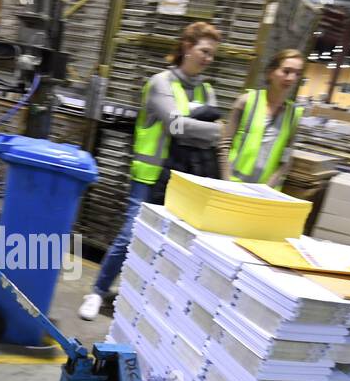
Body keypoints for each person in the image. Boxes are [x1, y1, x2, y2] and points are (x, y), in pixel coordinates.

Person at [78, 21, 223, 320]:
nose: (208, 58)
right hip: (150, 174)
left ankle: (141, 293)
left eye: (212, 54)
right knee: (131, 233)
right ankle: (97, 290)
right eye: (204, 51)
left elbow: (214, 132)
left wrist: (201, 128)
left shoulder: (207, 90)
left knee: (171, 241)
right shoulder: (161, 83)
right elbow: (175, 125)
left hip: (184, 177)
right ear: (186, 47)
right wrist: (205, 128)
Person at [222, 48, 306, 187]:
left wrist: (268, 188)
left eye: (297, 74)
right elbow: (224, 144)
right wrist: (226, 181)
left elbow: (285, 159)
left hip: (264, 191)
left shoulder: (293, 114)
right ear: (271, 72)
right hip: (233, 183)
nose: (291, 78)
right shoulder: (246, 102)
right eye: (286, 71)